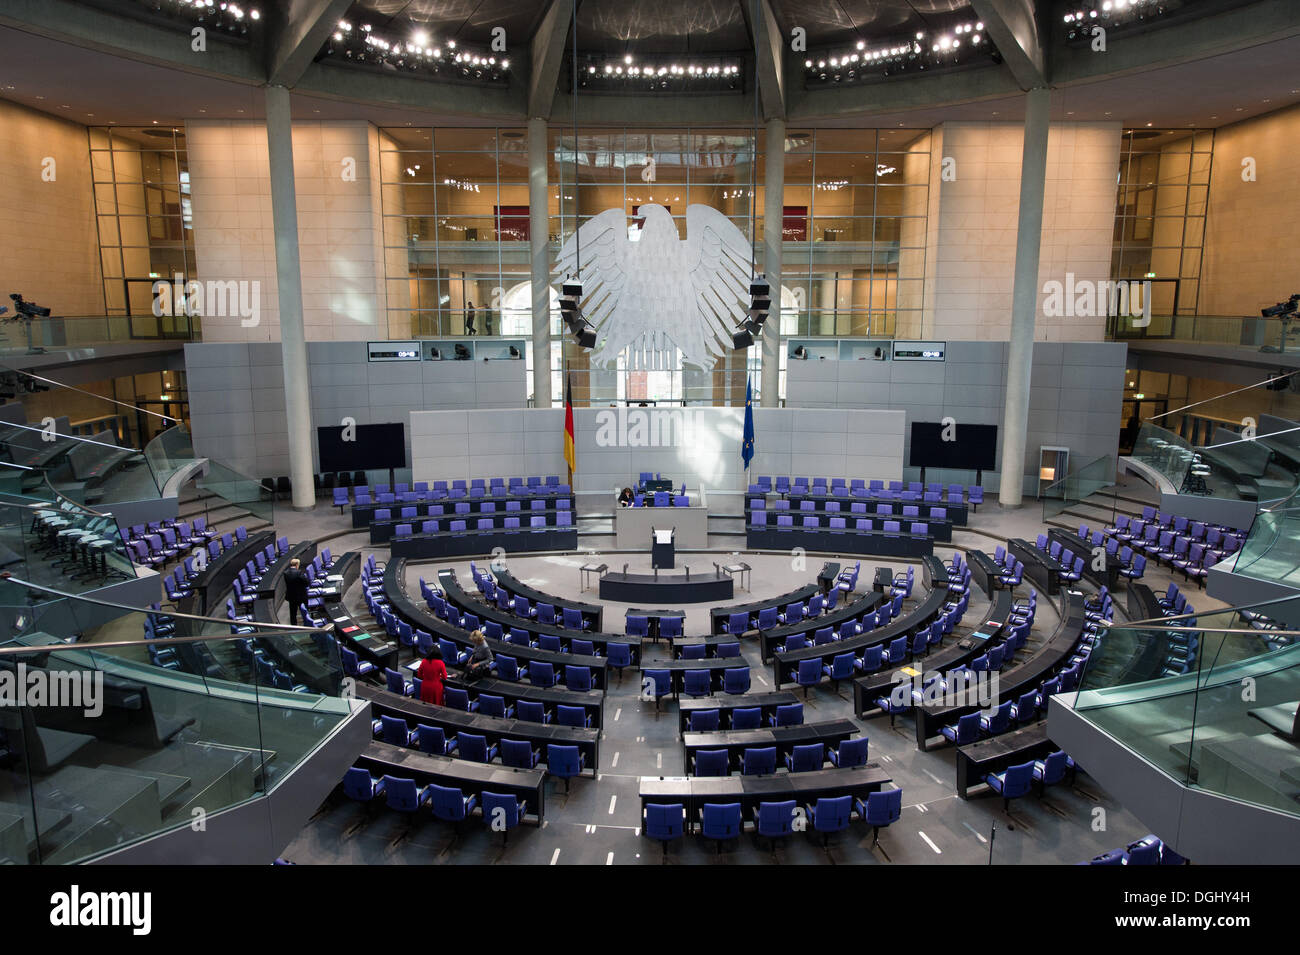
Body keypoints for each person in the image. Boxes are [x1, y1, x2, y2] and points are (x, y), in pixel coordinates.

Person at [284, 557, 309, 626]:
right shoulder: (299, 572)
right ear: (297, 565)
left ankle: (294, 626)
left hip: (291, 596)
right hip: (301, 596)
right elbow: (306, 583)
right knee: (304, 612)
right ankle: (306, 624)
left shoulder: (285, 573)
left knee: (293, 613)